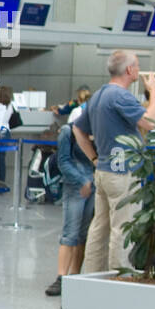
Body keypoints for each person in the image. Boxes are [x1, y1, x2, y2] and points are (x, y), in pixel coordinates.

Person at [73, 50, 155, 272]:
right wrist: (154, 92)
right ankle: (118, 277)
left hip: (104, 170)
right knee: (122, 227)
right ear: (130, 70)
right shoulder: (120, 96)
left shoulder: (99, 95)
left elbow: (77, 129)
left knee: (99, 227)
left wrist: (94, 158)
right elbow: (150, 122)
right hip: (122, 173)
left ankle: (92, 277)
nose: (139, 70)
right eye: (138, 66)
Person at [45, 122, 94, 296]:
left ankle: (74, 275)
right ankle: (61, 277)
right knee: (70, 233)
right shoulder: (68, 131)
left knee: (83, 234)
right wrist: (82, 181)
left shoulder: (97, 129)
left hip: (93, 186)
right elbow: (63, 161)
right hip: (75, 187)